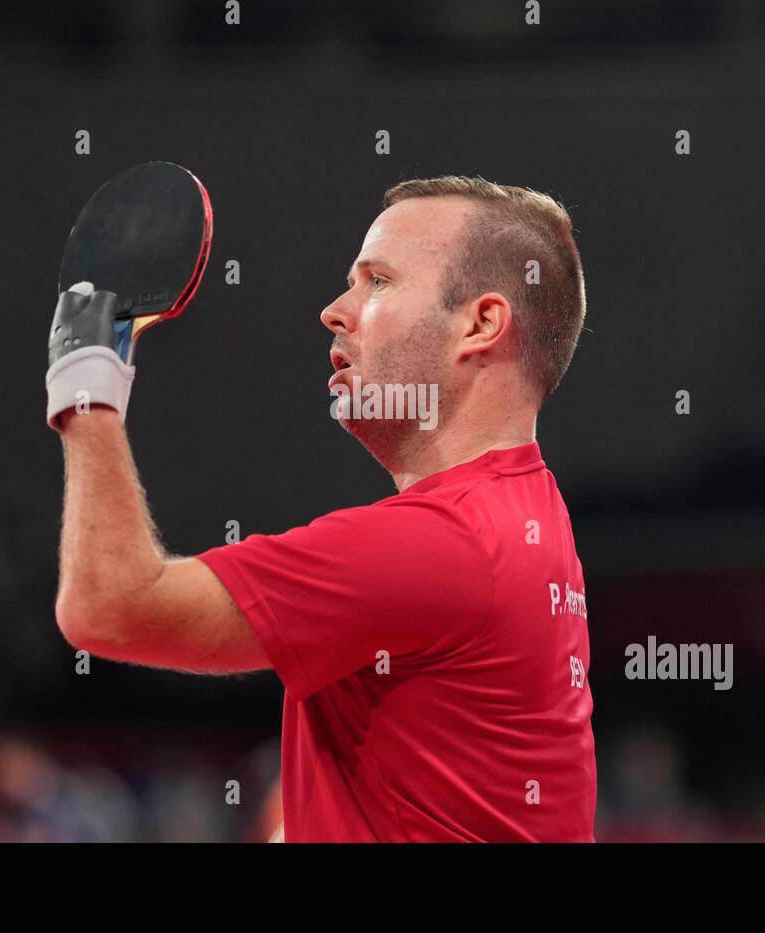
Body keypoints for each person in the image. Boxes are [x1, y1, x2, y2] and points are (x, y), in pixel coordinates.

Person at [46, 175, 595, 841]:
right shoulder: (532, 512)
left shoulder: (439, 544)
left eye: (378, 281)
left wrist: (85, 380)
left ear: (480, 323)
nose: (335, 310)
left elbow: (109, 603)